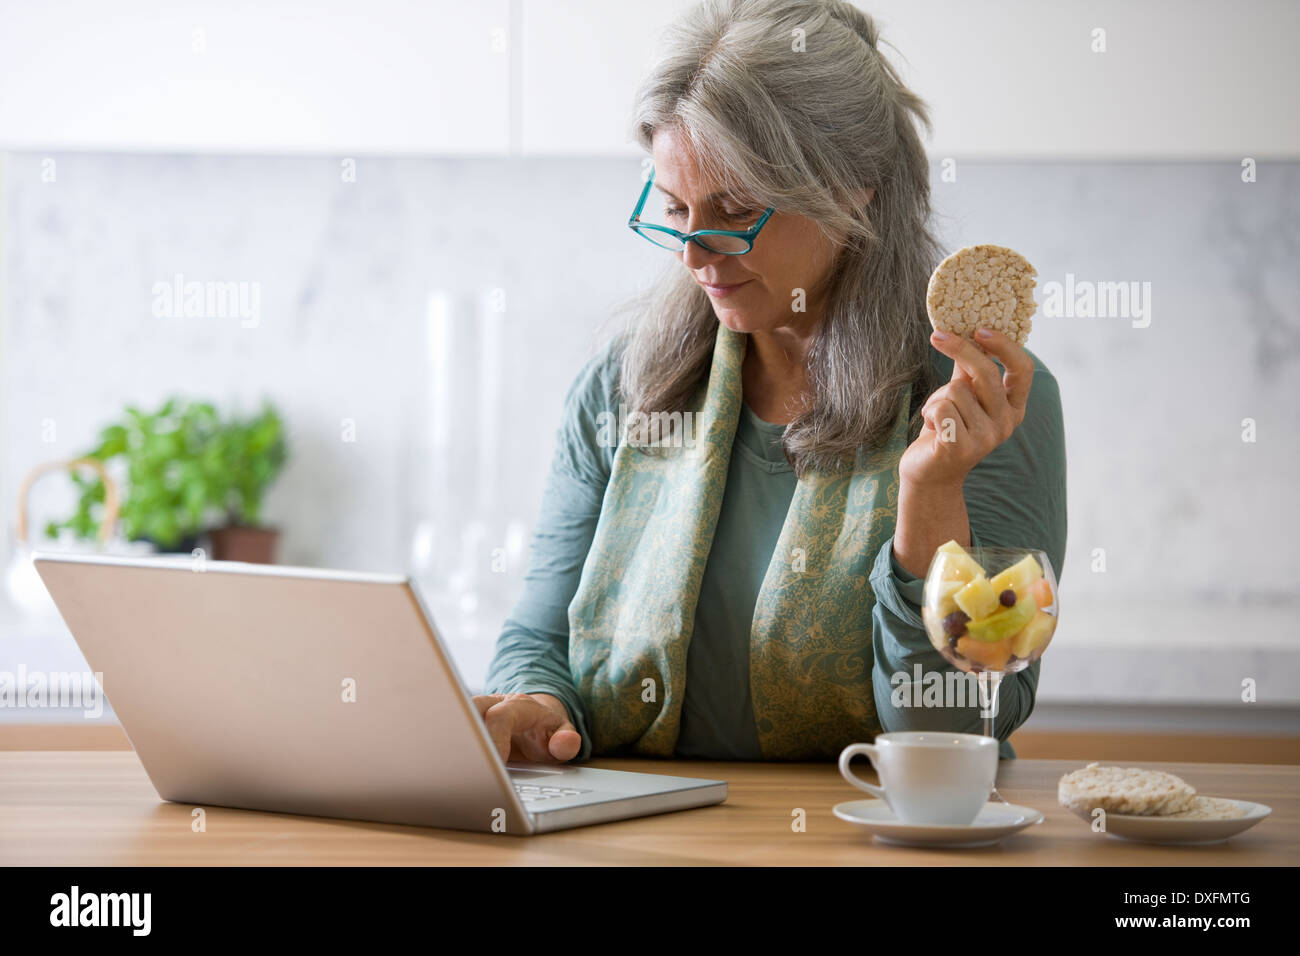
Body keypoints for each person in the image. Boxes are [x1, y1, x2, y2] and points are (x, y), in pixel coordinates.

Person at [476, 0, 1066, 764]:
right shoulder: (621, 389)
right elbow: (540, 636)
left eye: (734, 211)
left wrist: (929, 494)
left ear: (854, 183)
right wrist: (536, 701)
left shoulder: (978, 401)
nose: (692, 253)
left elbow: (958, 730)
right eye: (675, 209)